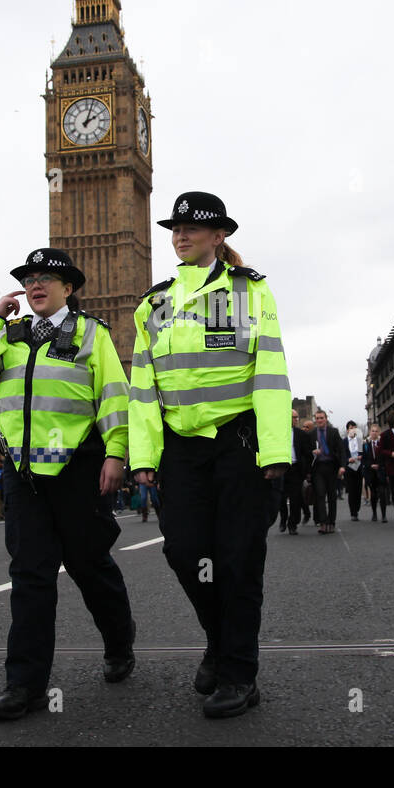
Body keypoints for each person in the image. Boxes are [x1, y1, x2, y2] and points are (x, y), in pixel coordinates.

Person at [129, 192, 290, 719]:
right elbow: (142, 390)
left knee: (240, 561)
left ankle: (240, 674)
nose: (181, 234)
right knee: (185, 554)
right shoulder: (154, 305)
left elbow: (269, 374)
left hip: (238, 444)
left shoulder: (250, 293)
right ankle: (219, 641)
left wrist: (275, 452)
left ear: (219, 235)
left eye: (193, 227)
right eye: (175, 227)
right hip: (181, 449)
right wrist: (143, 457)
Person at [0, 246, 136, 721]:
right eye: (29, 278)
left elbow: (113, 396)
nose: (35, 284)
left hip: (78, 471)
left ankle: (120, 641)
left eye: (47, 277)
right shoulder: (11, 335)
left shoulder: (90, 333)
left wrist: (116, 452)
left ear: (69, 288)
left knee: (89, 566)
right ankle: (25, 685)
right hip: (24, 476)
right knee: (30, 578)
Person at [310, 410, 347, 535]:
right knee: (320, 494)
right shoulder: (312, 434)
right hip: (318, 468)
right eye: (317, 418)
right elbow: (306, 451)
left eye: (321, 418)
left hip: (331, 467)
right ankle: (323, 523)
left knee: (332, 496)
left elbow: (341, 450)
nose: (319, 420)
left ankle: (331, 522)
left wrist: (342, 466)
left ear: (326, 419)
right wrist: (312, 452)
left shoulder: (333, 432)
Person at [279, 409, 312, 535]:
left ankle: (292, 524)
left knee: (295, 499)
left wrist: (306, 470)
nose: (296, 420)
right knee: (281, 498)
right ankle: (283, 518)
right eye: (293, 417)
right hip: (282, 468)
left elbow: (307, 453)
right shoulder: (279, 433)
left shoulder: (301, 434)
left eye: (297, 417)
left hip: (295, 469)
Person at [363, 424, 389, 522]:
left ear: (379, 433)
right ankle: (374, 513)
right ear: (370, 433)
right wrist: (370, 465)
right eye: (372, 431)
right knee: (373, 494)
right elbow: (364, 459)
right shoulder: (366, 445)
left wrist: (380, 465)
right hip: (371, 472)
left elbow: (386, 457)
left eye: (376, 431)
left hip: (381, 471)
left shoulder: (382, 445)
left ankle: (384, 515)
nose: (374, 433)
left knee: (382, 493)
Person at [344, 421, 364, 521]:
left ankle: (357, 508)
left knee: (358, 490)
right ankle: (353, 512)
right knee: (352, 491)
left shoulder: (359, 441)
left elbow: (363, 454)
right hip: (349, 469)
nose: (353, 430)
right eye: (351, 428)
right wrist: (348, 459)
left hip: (359, 468)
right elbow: (341, 455)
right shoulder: (344, 442)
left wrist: (361, 456)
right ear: (347, 430)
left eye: (355, 428)